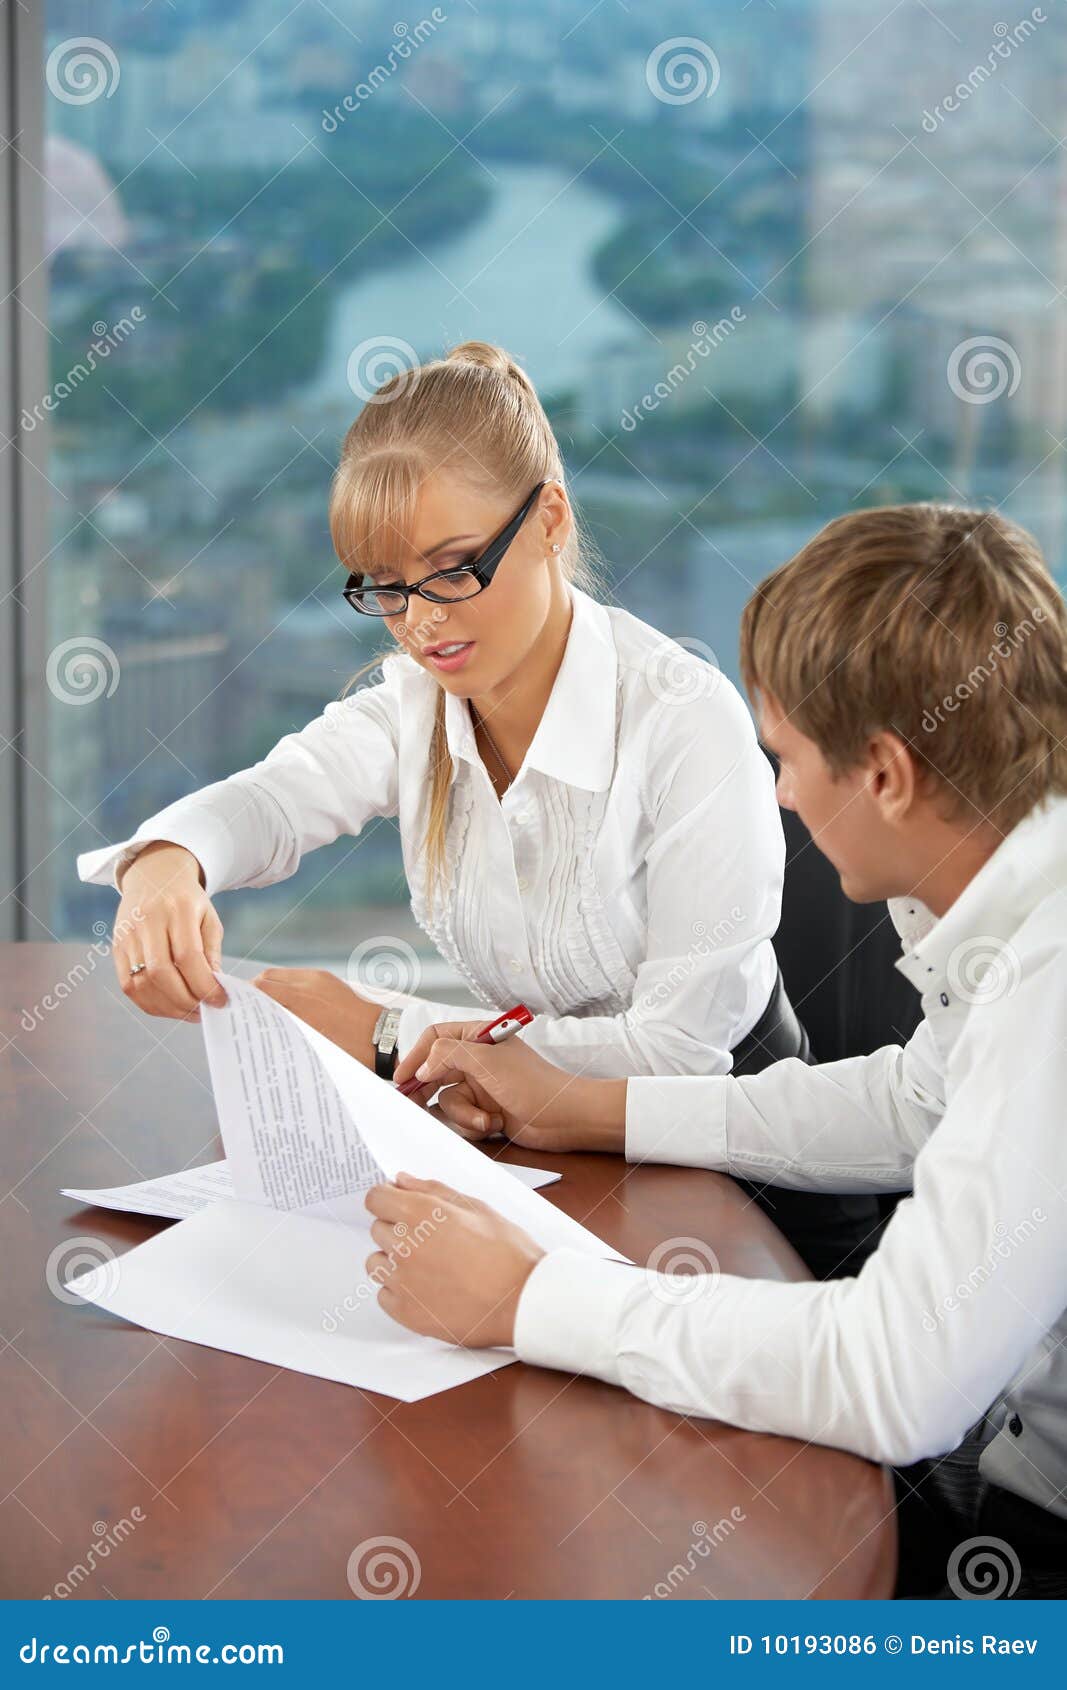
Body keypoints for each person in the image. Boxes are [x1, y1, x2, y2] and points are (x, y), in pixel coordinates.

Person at [371, 502, 1067, 1599]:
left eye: (786, 758)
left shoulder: (1049, 982)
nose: (781, 794)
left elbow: (896, 1375)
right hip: (993, 1452)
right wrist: (582, 1107)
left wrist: (528, 1296)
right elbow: (913, 1101)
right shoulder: (1023, 884)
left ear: (884, 773)